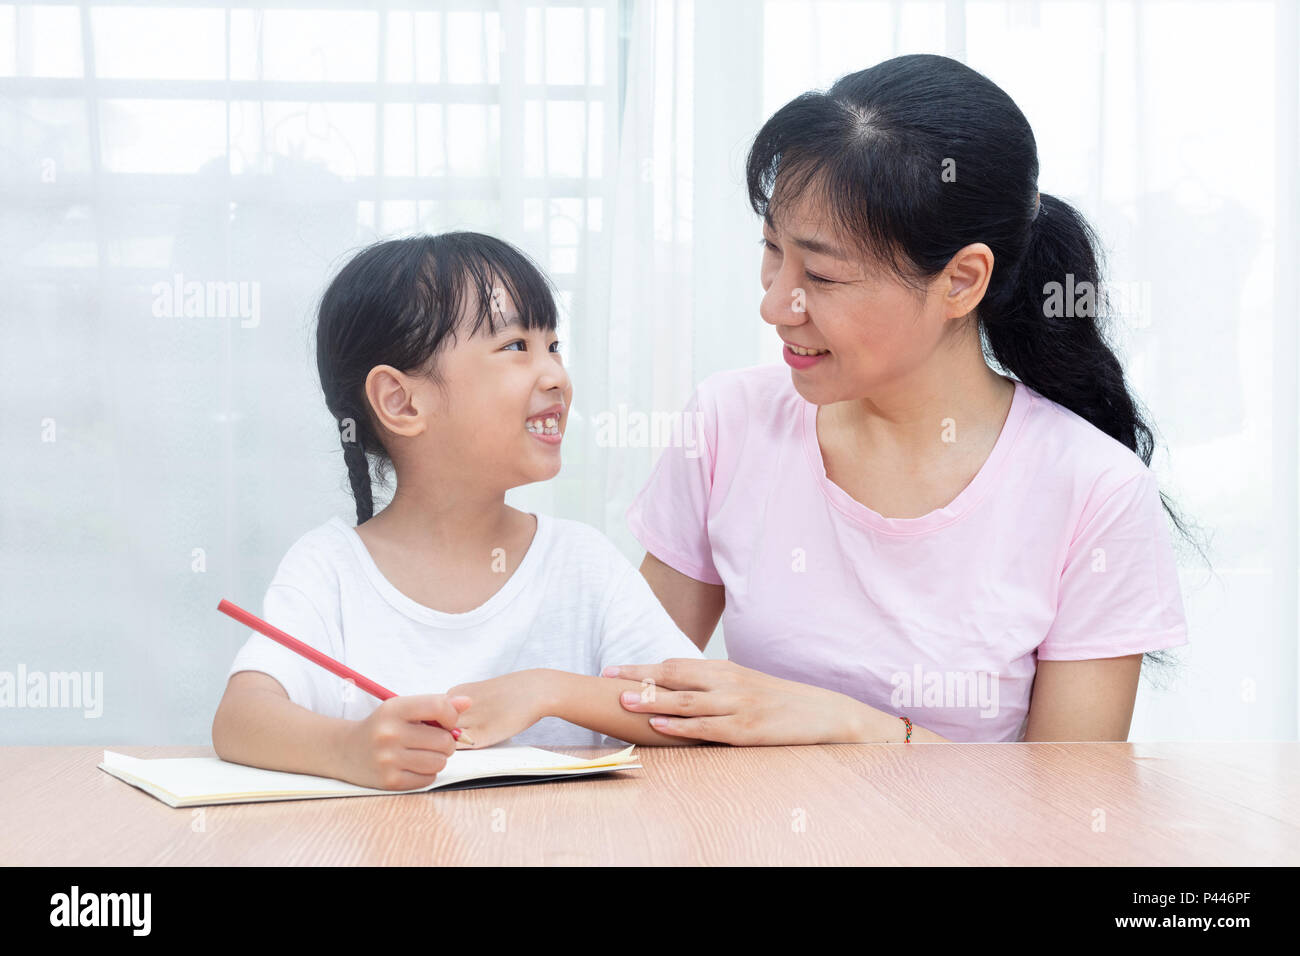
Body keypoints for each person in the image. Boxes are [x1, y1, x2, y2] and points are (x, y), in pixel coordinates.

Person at [610, 54, 1198, 744]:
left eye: (823, 276)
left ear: (960, 281)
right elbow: (632, 702)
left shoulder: (1094, 490)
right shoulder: (727, 424)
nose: (775, 304)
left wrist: (856, 729)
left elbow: (1069, 815)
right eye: (772, 249)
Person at [212, 232, 703, 792]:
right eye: (516, 346)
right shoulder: (330, 568)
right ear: (402, 401)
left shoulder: (581, 561)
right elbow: (240, 720)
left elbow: (697, 706)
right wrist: (350, 748)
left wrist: (547, 689)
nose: (556, 376)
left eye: (554, 345)